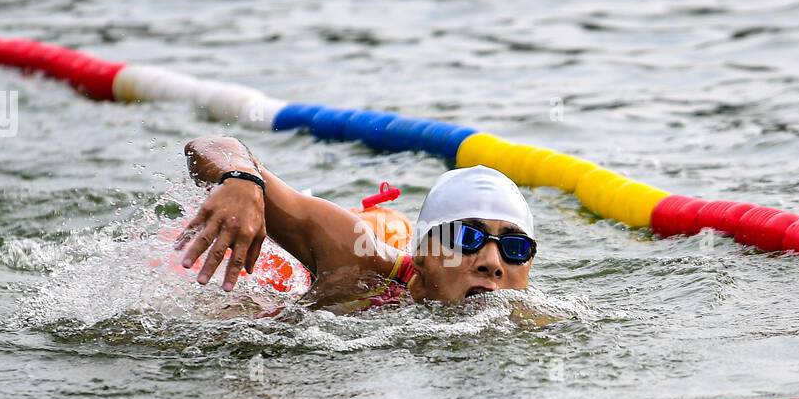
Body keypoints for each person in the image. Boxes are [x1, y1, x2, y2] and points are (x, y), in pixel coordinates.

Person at [178, 135, 537, 311]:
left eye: (514, 247)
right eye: (466, 236)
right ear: (425, 251)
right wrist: (242, 180)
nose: (493, 261)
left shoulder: (538, 323)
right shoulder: (354, 255)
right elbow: (210, 145)